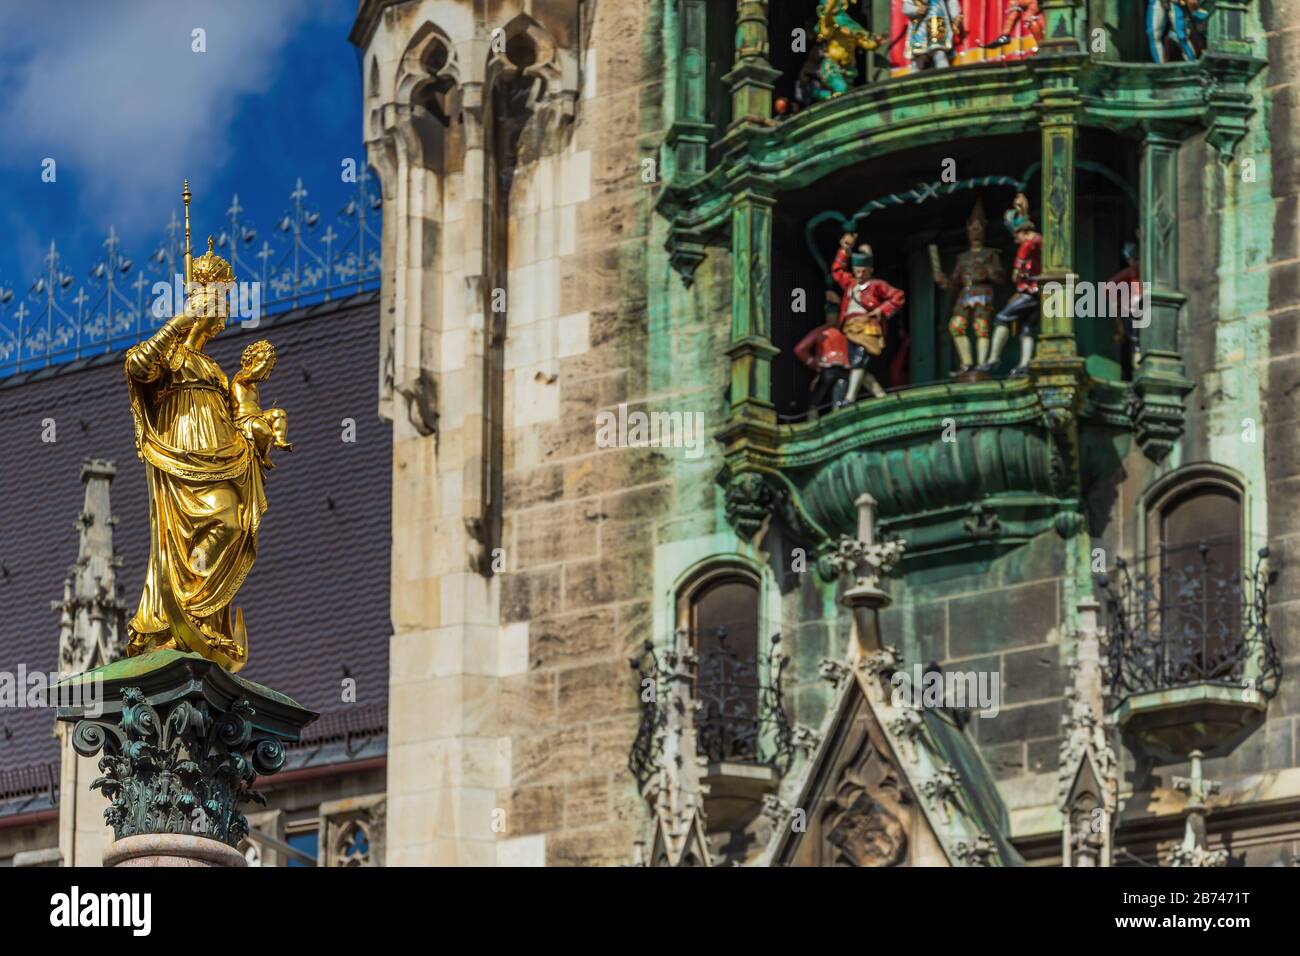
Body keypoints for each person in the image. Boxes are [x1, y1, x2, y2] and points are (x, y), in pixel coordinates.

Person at [831, 232, 906, 400]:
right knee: (856, 362)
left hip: (866, 326)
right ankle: (879, 394)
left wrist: (881, 310)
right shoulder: (850, 284)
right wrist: (844, 250)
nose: (859, 274)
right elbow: (837, 270)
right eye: (857, 270)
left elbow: (898, 296)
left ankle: (850, 397)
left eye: (863, 271)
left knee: (859, 359)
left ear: (870, 270)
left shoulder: (876, 285)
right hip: (850, 327)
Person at [978, 194, 1041, 376]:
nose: (1015, 240)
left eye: (1016, 235)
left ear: (1023, 232)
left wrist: (1018, 267)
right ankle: (1025, 364)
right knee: (1027, 328)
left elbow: (1027, 249)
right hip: (1033, 292)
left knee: (1002, 318)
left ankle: (993, 359)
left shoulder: (1031, 243)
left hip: (1031, 292)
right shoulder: (1035, 242)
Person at [231, 339, 293, 467]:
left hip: (258, 416)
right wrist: (265, 361)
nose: (266, 371)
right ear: (250, 362)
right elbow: (255, 374)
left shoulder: (253, 384)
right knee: (266, 433)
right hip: (244, 419)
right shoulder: (241, 376)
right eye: (260, 363)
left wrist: (266, 362)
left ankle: (279, 441)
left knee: (279, 413)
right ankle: (263, 456)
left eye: (269, 369)